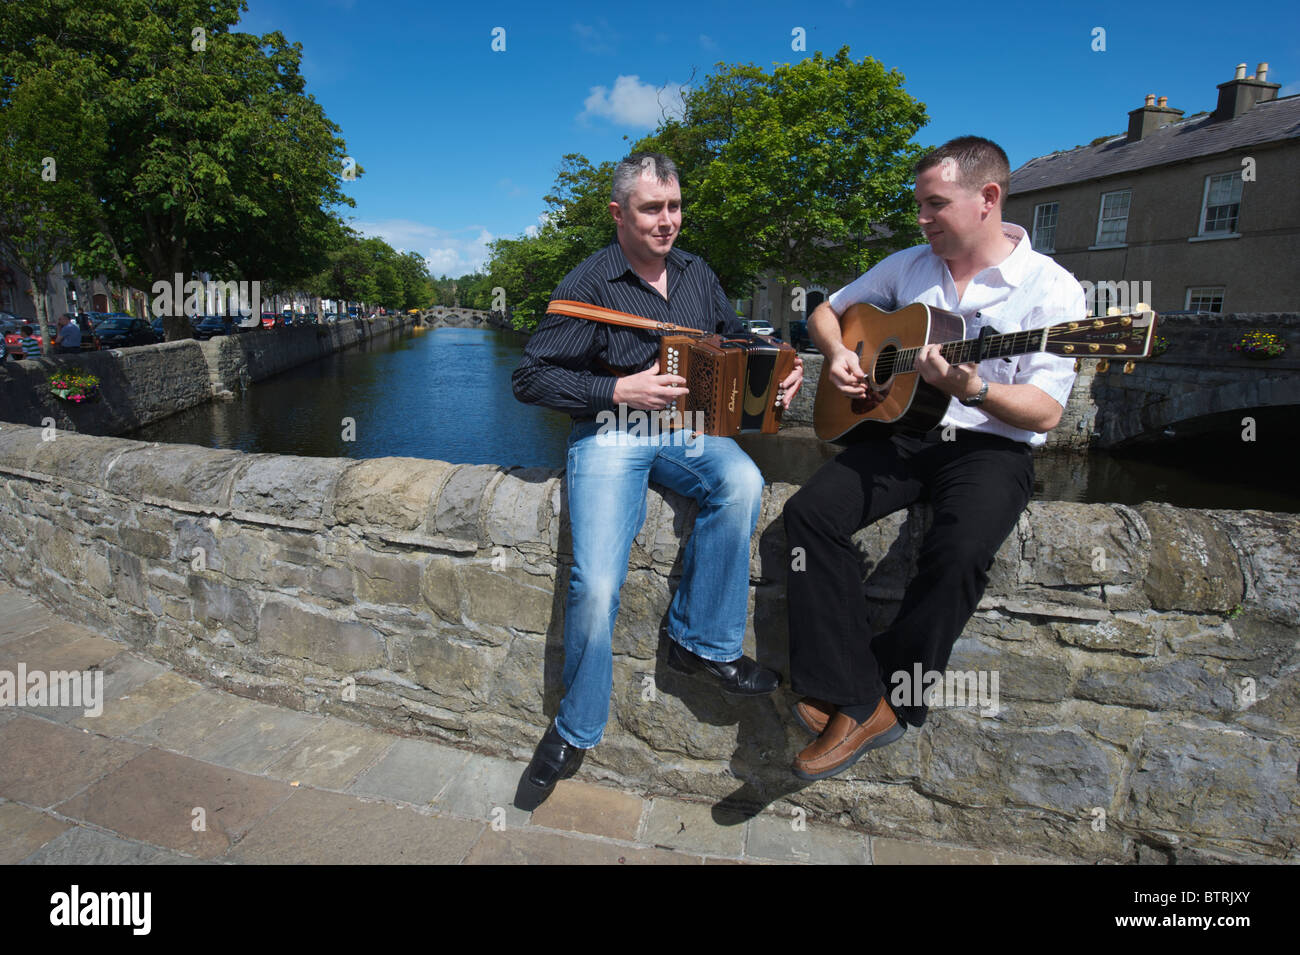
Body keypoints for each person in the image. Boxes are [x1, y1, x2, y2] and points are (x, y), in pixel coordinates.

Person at [784, 136, 1084, 781]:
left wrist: (970, 387)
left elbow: (1046, 412)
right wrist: (839, 354)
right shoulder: (909, 265)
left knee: (958, 553)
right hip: (905, 434)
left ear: (988, 199)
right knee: (808, 516)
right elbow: (826, 312)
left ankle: (898, 694)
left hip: (989, 447)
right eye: (919, 205)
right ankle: (855, 691)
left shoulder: (1052, 291)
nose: (922, 219)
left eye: (934, 205)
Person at [512, 151, 804, 795]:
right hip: (610, 432)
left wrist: (779, 364)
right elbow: (530, 377)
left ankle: (702, 642)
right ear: (619, 213)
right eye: (652, 209)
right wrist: (619, 388)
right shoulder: (588, 284)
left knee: (744, 482)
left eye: (674, 206)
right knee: (596, 584)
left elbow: (733, 335)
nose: (668, 221)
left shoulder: (698, 273)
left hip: (685, 432)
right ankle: (573, 727)